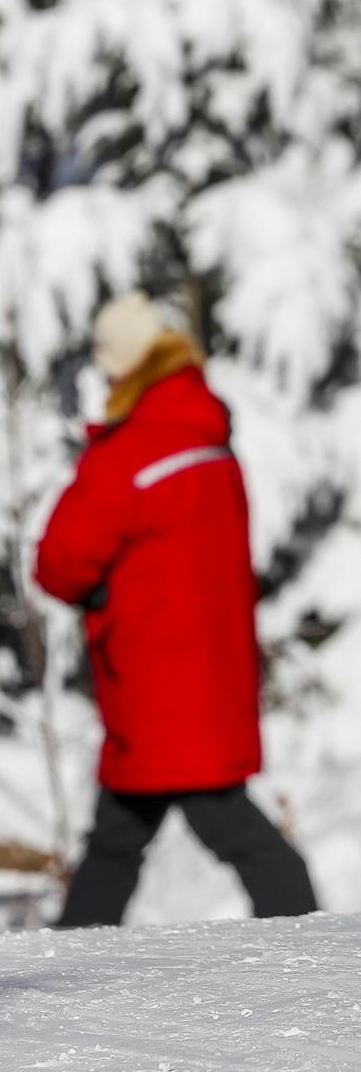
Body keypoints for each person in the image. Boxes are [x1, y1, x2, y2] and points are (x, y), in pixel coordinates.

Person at [34, 292, 317, 928]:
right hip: (212, 672)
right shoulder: (209, 437)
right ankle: (73, 953)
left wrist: (95, 591)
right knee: (123, 832)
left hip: (154, 680)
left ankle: (310, 941)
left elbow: (60, 561)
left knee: (217, 823)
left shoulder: (131, 453)